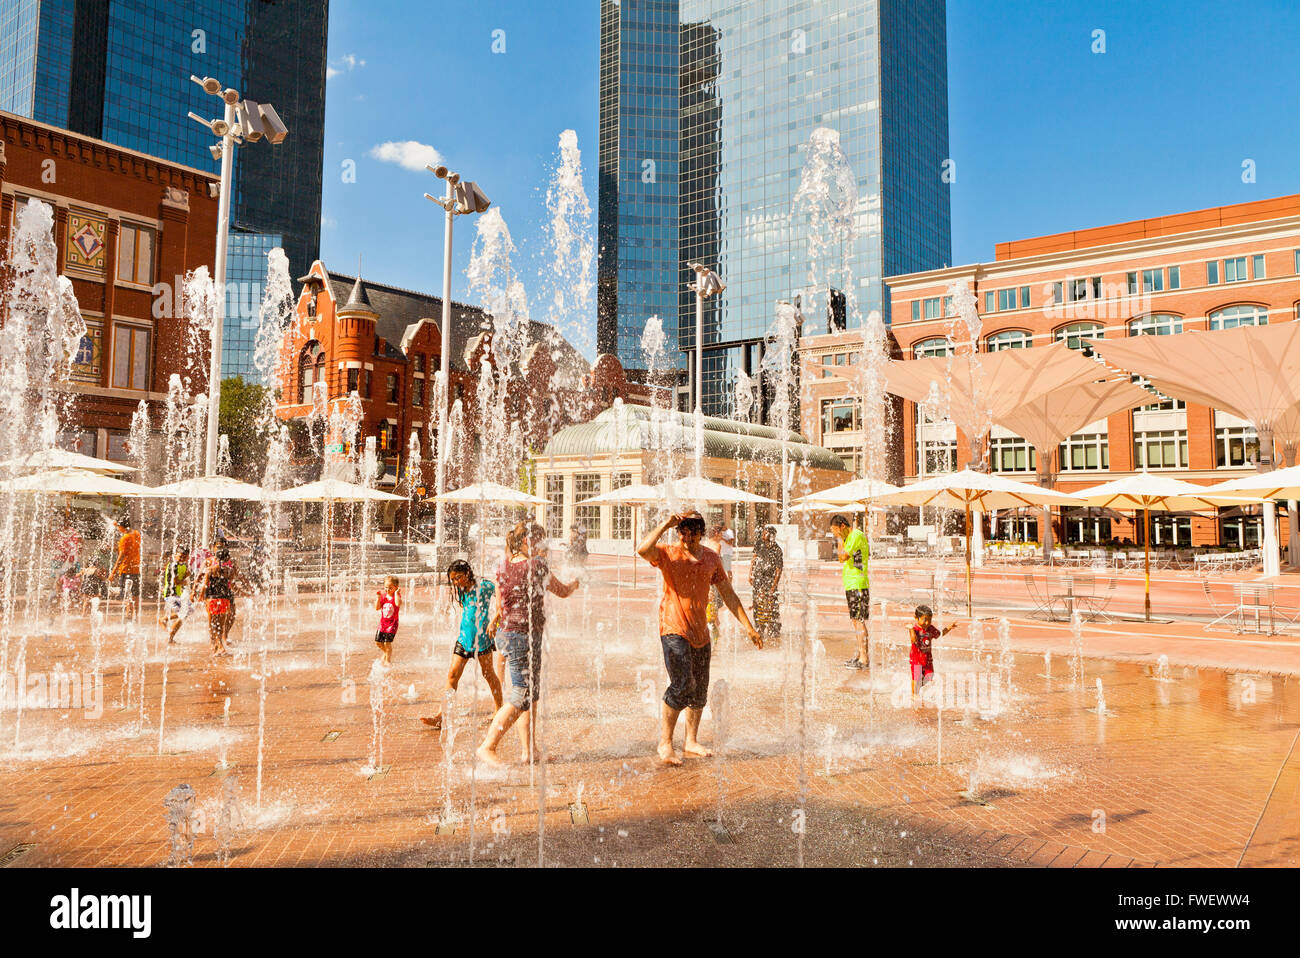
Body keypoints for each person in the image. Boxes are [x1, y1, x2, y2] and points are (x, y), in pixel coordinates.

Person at [638, 510, 763, 766]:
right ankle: (665, 743)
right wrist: (664, 524)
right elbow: (642, 549)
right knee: (682, 684)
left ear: (701, 533)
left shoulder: (711, 559)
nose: (687, 537)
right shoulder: (668, 553)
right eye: (683, 531)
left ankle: (691, 741)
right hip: (673, 628)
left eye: (692, 532)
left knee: (699, 691)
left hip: (700, 632)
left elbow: (728, 594)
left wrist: (748, 627)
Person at [476, 522, 580, 767]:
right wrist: (575, 584)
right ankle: (487, 746)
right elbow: (562, 591)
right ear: (526, 541)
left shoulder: (501, 566)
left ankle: (528, 751)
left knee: (530, 695)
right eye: (539, 541)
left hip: (511, 633)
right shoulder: (538, 564)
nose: (543, 546)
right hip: (525, 634)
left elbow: (501, 607)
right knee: (522, 693)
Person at [422, 560, 504, 729]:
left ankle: (499, 709)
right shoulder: (461, 589)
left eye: (458, 577)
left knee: (488, 674)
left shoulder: (485, 586)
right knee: (452, 675)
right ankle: (441, 715)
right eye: (453, 580)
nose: (456, 582)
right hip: (464, 639)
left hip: (483, 639)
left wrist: (495, 622)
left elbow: (503, 600)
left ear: (467, 573)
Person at [830, 514, 870, 670]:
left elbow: (842, 557)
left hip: (858, 584)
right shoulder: (850, 538)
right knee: (855, 621)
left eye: (835, 531)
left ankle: (864, 658)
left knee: (859, 620)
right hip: (852, 584)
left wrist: (840, 538)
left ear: (842, 526)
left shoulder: (855, 535)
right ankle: (860, 655)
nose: (835, 535)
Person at [197, 539, 239, 655]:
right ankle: (218, 644)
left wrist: (200, 595)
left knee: (212, 623)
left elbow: (205, 584)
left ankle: (217, 645)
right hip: (224, 598)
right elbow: (231, 581)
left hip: (212, 598)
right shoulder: (228, 570)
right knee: (220, 623)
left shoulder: (211, 569)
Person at [909, 604, 959, 697]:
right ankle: (914, 696)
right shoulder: (914, 629)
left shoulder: (930, 629)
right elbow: (913, 640)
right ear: (916, 618)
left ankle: (921, 691)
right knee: (916, 678)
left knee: (929, 677)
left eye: (929, 619)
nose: (927, 622)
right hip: (916, 660)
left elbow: (940, 634)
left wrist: (949, 627)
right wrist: (911, 629)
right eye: (925, 620)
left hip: (928, 659)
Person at [750, 525, 783, 645]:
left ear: (772, 535)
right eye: (763, 533)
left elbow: (779, 570)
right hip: (758, 580)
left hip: (769, 582)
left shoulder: (777, 550)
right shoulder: (759, 544)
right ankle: (759, 628)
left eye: (766, 533)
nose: (763, 536)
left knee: (771, 606)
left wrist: (773, 586)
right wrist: (750, 574)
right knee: (757, 604)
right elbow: (754, 559)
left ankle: (774, 630)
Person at [160, 546, 191, 644]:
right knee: (184, 614)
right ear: (175, 555)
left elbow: (183, 577)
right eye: (180, 556)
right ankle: (170, 637)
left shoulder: (184, 565)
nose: (182, 558)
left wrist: (187, 576)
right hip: (170, 594)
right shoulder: (173, 565)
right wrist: (185, 581)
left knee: (189, 611)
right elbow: (177, 582)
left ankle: (164, 619)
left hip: (178, 594)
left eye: (185, 557)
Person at [112, 517, 142, 618]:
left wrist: (113, 572)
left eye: (119, 527)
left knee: (127, 594)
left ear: (122, 527)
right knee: (135, 594)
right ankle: (135, 615)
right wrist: (117, 524)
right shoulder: (136, 533)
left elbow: (121, 556)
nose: (118, 529)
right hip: (136, 568)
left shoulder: (124, 538)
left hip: (126, 569)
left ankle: (128, 614)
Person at [374, 575, 401, 665]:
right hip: (382, 624)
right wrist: (378, 598)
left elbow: (398, 604)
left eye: (390, 588)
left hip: (392, 624)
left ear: (396, 587)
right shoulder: (383, 596)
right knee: (378, 642)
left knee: (387, 643)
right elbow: (377, 608)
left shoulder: (396, 596)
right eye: (386, 587)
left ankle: (387, 660)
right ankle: (386, 653)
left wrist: (396, 593)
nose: (387, 590)